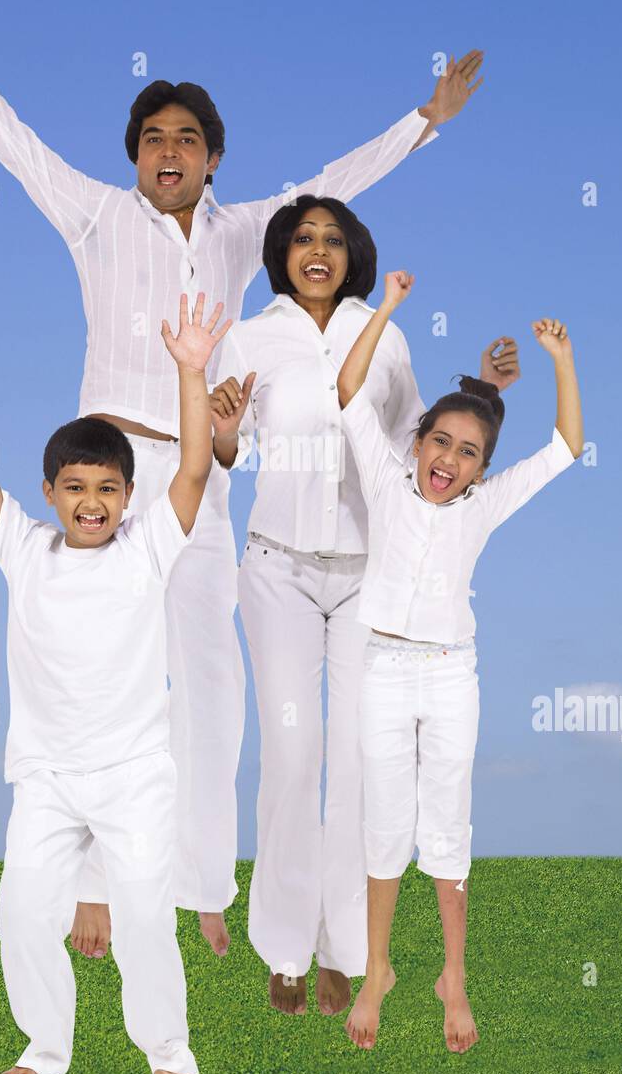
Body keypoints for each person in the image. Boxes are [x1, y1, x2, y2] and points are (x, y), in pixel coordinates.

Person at [0, 0, 485, 960]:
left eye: (189, 139)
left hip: (202, 476)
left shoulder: (244, 228)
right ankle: (91, 883)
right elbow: (13, 143)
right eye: (153, 138)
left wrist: (424, 121)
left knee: (213, 681)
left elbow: (333, 185)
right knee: (102, 664)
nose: (170, 150)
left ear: (213, 159)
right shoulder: (94, 214)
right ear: (134, 156)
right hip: (113, 471)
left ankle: (202, 884)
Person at [0, 292, 231, 1074]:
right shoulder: (24, 550)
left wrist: (191, 370)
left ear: (128, 497)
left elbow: (193, 467)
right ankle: (44, 1048)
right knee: (20, 914)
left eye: (110, 489)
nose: (93, 502)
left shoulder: (148, 548)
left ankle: (167, 1050)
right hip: (47, 777)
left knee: (147, 920)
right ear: (50, 492)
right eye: (77, 487)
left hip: (134, 774)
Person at [210, 197, 519, 1016]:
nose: (319, 251)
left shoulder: (384, 335)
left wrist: (486, 392)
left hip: (365, 579)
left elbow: (424, 442)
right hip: (275, 567)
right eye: (304, 238)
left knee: (355, 759)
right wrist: (227, 435)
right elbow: (224, 448)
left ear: (355, 256)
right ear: (281, 253)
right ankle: (282, 948)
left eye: (334, 240)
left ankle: (346, 950)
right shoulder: (250, 337)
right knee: (291, 750)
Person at [335, 271, 583, 1052]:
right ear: (417, 442)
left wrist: (560, 361)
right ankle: (378, 969)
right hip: (380, 666)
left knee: (446, 829)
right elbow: (347, 392)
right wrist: (389, 309)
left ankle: (453, 979)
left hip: (450, 674)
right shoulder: (385, 479)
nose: (448, 458)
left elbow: (568, 448)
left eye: (468, 452)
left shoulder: (487, 504)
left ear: (481, 467)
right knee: (383, 825)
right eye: (439, 440)